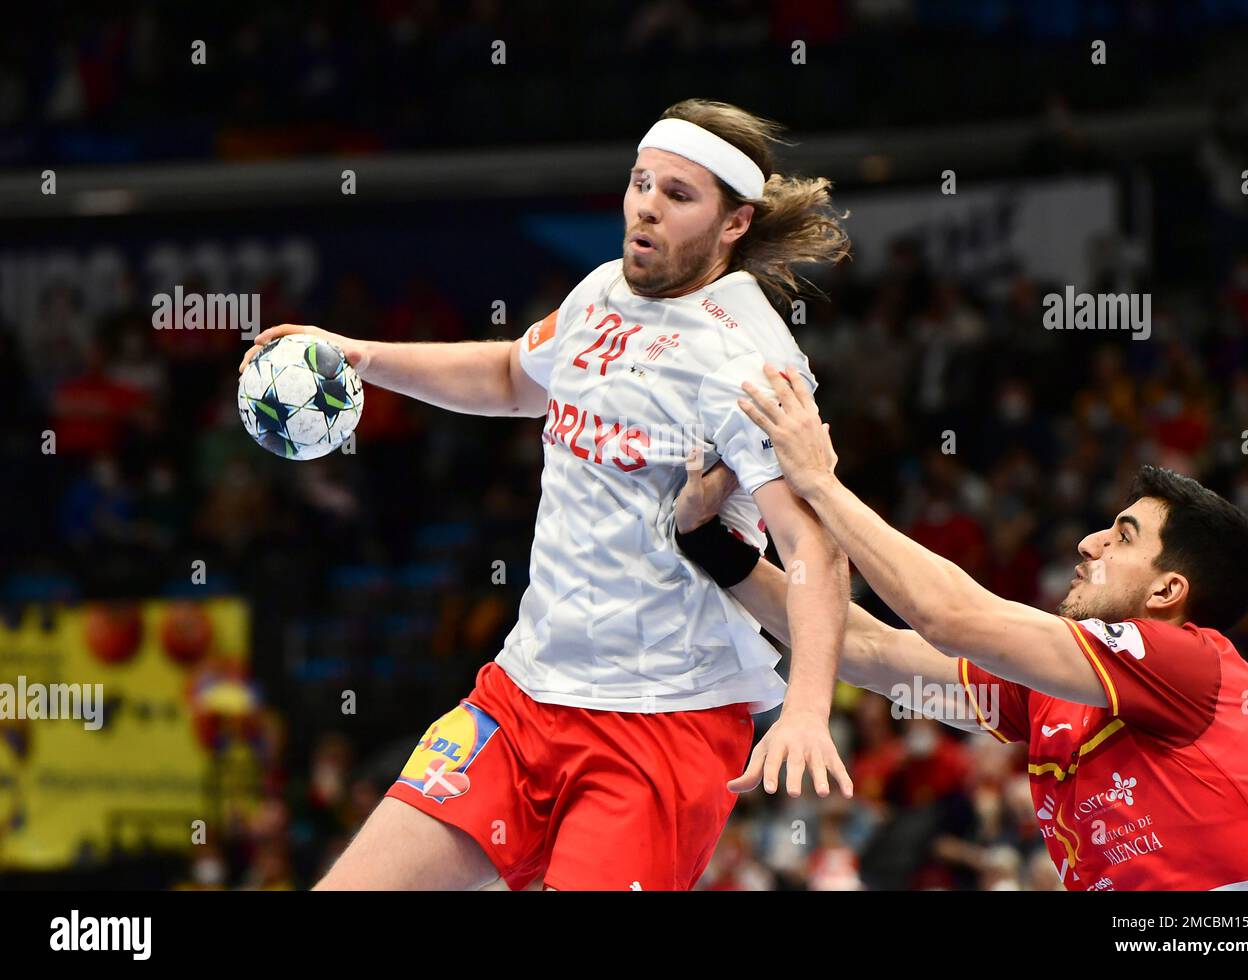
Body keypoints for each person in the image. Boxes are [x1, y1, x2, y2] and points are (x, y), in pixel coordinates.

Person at [238, 100, 855, 890]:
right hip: (523, 696)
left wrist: (806, 710)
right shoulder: (601, 293)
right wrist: (360, 356)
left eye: (678, 194)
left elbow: (814, 546)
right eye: (641, 183)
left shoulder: (750, 362)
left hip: (658, 728)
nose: (646, 207)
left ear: (734, 224)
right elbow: (508, 377)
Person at [672, 366, 1248, 890]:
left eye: (1121, 538)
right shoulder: (1054, 688)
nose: (1088, 543)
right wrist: (714, 546)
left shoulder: (1192, 662)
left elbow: (951, 617)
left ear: (1168, 590)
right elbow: (866, 649)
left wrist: (820, 484)